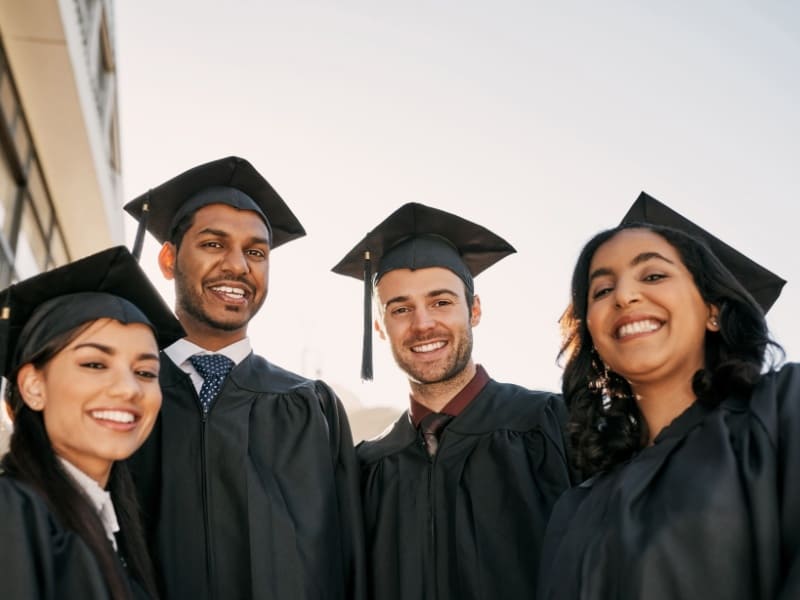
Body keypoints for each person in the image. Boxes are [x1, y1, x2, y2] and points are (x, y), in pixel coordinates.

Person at [124, 156, 365, 600]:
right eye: (214, 244)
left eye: (255, 252)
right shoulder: (124, 398)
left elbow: (349, 562)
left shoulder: (311, 406)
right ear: (169, 258)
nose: (238, 266)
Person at [538, 193, 799, 599]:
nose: (624, 295)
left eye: (654, 276)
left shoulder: (781, 410)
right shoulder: (576, 506)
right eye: (602, 290)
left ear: (713, 309)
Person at [332, 202, 573, 599]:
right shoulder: (366, 470)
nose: (423, 323)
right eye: (401, 309)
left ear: (474, 310)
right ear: (380, 326)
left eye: (441, 302)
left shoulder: (554, 426)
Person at [0, 246, 184, 599]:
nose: (128, 389)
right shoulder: (12, 512)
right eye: (95, 364)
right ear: (33, 386)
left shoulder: (113, 526)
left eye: (145, 372)